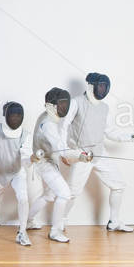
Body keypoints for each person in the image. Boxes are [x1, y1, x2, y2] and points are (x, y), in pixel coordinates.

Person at [66, 72, 134, 232]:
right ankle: (60, 222)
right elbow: (63, 126)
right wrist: (67, 152)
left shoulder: (104, 107)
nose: (103, 89)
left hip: (100, 153)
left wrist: (131, 136)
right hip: (82, 155)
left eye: (104, 87)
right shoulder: (76, 103)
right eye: (100, 86)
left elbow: (110, 131)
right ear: (91, 86)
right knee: (72, 193)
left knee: (118, 185)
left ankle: (114, 222)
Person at [27, 87, 86, 243]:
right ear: (51, 105)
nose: (64, 107)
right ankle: (55, 231)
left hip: (47, 161)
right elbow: (60, 147)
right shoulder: (48, 124)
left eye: (65, 104)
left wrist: (68, 155)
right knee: (64, 194)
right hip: (44, 163)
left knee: (49, 195)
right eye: (61, 104)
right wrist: (79, 156)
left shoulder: (48, 117)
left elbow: (59, 146)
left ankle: (27, 220)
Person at [0, 101, 33, 246]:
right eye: (12, 115)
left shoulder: (26, 134)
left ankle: (22, 232)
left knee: (23, 198)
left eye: (18, 116)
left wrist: (32, 159)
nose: (15, 119)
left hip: (17, 172)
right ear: (6, 116)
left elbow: (26, 157)